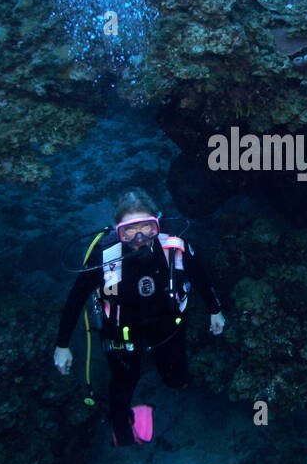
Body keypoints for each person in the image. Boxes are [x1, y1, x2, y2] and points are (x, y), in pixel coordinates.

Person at [53, 188, 225, 446]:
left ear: (158, 223)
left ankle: (164, 387)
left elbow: (201, 278)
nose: (140, 237)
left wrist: (215, 310)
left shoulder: (176, 249)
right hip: (122, 338)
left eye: (147, 227)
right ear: (117, 230)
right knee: (121, 389)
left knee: (176, 379)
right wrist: (62, 345)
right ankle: (125, 428)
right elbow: (75, 300)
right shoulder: (104, 259)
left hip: (168, 330)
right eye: (130, 230)